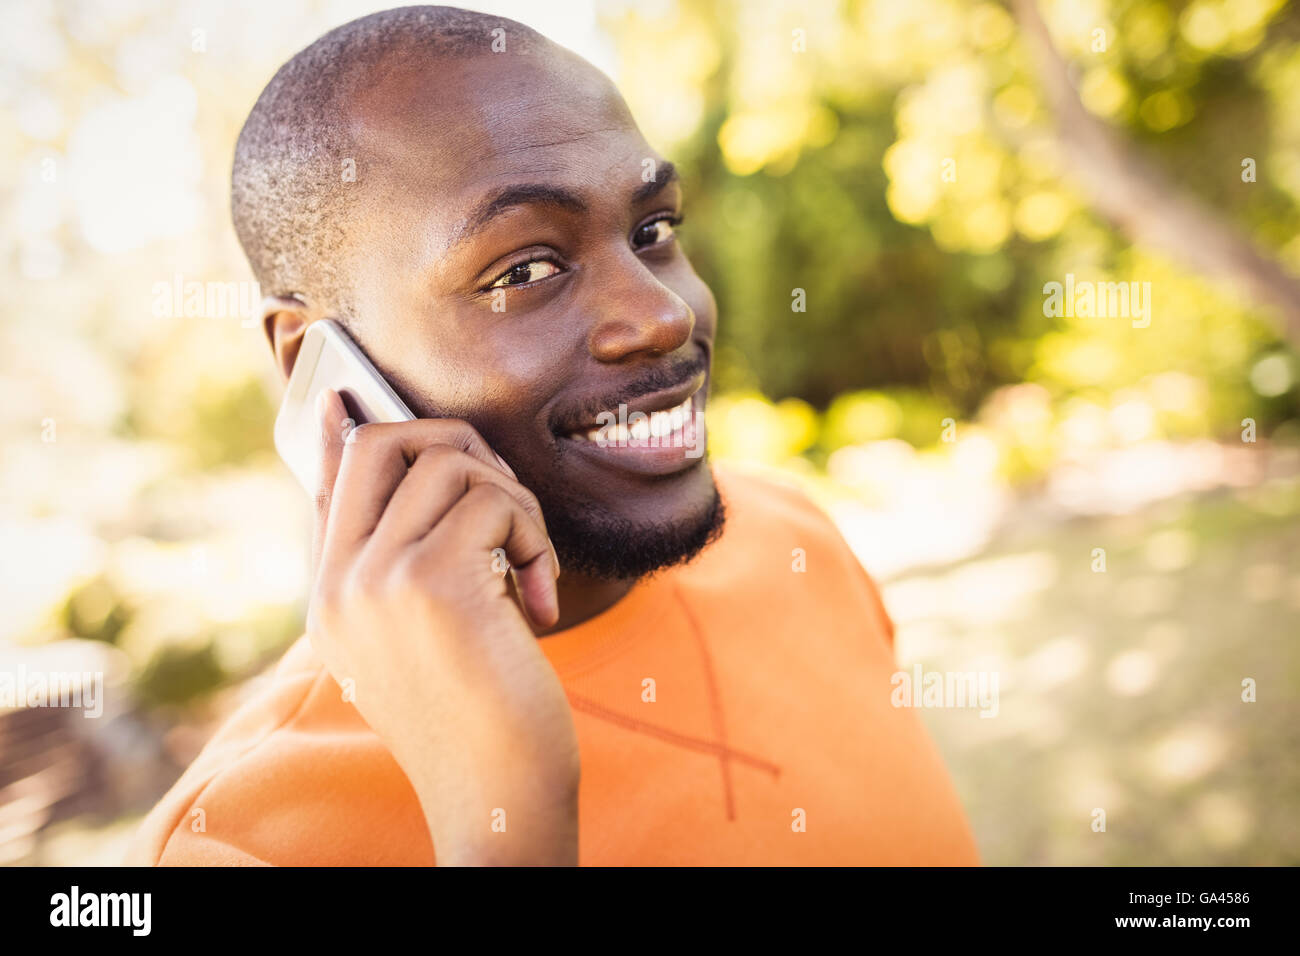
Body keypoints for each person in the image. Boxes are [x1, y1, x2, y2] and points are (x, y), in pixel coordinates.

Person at [126, 5, 979, 865]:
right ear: (319, 361)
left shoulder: (795, 538)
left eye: (653, 230)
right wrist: (505, 812)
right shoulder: (239, 840)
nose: (662, 313)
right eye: (524, 268)